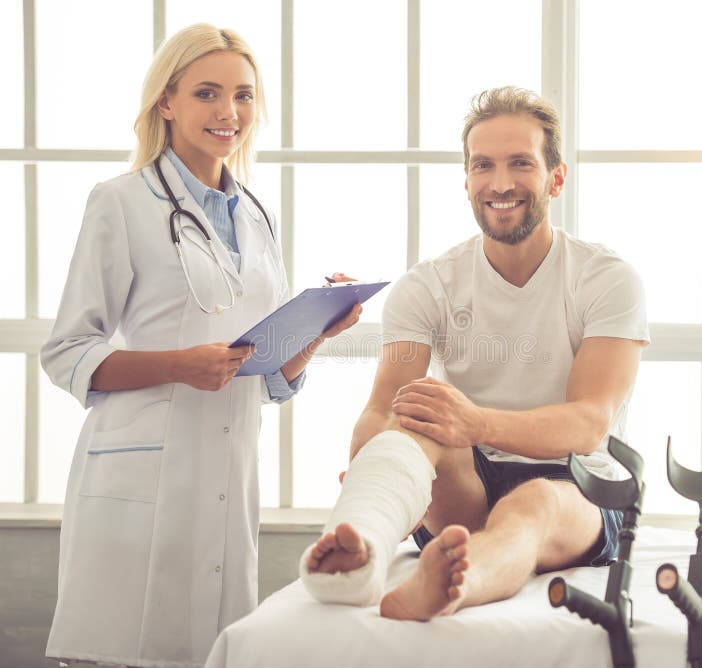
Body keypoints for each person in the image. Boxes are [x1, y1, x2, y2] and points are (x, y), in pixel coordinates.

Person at [41, 24, 359, 668]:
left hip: (228, 474)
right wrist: (181, 367)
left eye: (243, 96)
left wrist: (317, 333)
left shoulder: (255, 215)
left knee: (211, 654)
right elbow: (67, 350)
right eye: (207, 93)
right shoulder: (121, 203)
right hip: (140, 474)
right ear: (167, 102)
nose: (228, 113)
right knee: (124, 651)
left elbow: (263, 374)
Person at [299, 86, 649, 620]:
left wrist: (476, 422)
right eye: (483, 165)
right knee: (416, 416)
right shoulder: (429, 284)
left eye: (520, 164)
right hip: (467, 483)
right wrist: (374, 462)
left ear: (556, 177)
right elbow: (383, 406)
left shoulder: (606, 278)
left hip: (577, 484)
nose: (500, 183)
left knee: (533, 502)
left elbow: (587, 425)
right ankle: (360, 548)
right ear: (466, 180)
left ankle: (453, 585)